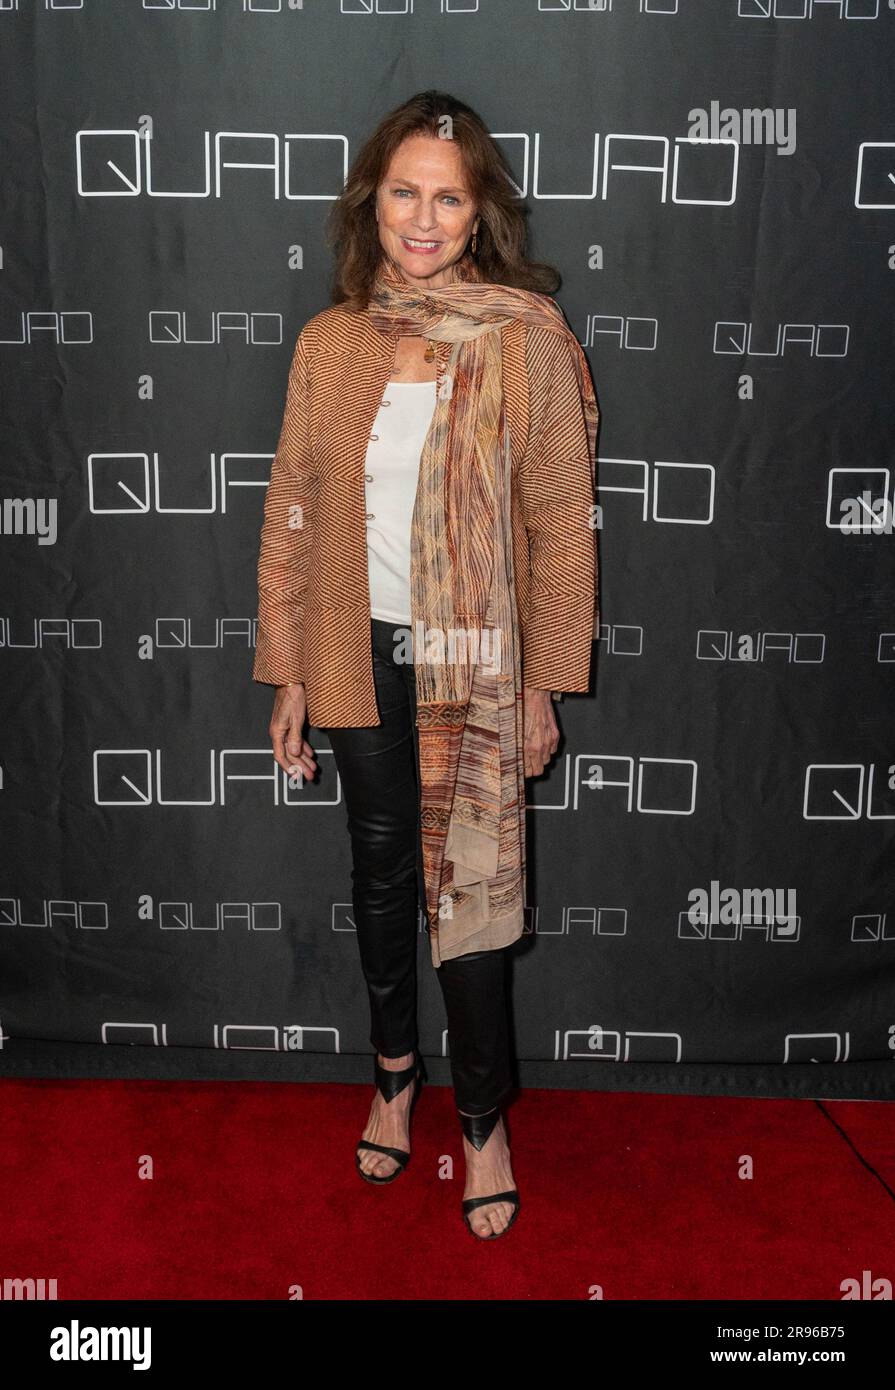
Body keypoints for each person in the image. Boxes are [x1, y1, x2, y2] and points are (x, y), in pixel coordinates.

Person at [253, 89, 599, 1240]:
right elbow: (295, 510)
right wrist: (291, 671)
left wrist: (543, 682)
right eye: (403, 190)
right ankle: (396, 1075)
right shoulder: (333, 339)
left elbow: (557, 518)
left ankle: (485, 1117)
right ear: (373, 199)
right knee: (381, 875)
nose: (422, 216)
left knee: (477, 899)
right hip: (357, 647)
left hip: (473, 660)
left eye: (447, 197)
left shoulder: (523, 340)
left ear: (477, 212)